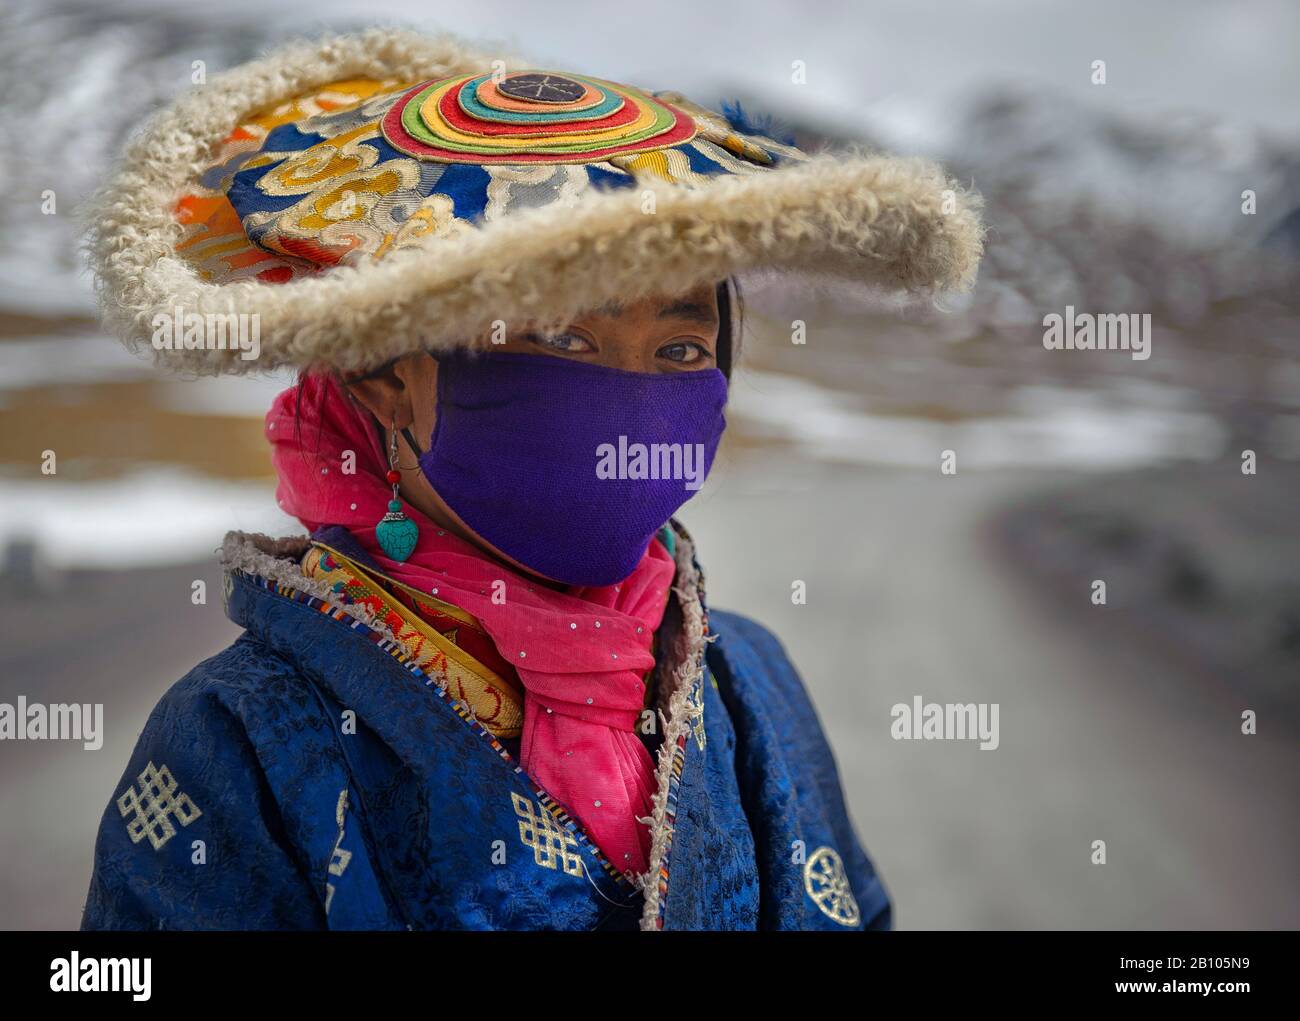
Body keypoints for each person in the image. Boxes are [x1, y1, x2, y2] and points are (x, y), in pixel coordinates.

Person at [80, 29, 983, 930]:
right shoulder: (236, 742)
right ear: (384, 371)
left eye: (680, 348)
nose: (629, 406)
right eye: (558, 338)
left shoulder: (752, 678)